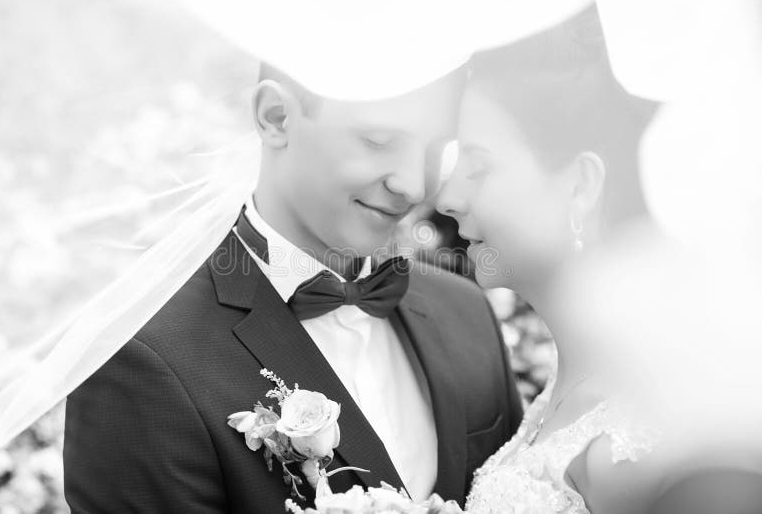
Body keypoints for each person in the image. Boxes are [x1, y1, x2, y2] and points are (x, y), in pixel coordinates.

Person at [62, 62, 523, 513]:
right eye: (378, 140)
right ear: (276, 118)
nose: (414, 184)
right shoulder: (142, 357)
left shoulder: (465, 309)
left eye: (435, 149)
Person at [438, 5, 762, 514]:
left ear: (581, 185)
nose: (448, 198)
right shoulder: (569, 380)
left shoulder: (637, 440)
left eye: (478, 168)